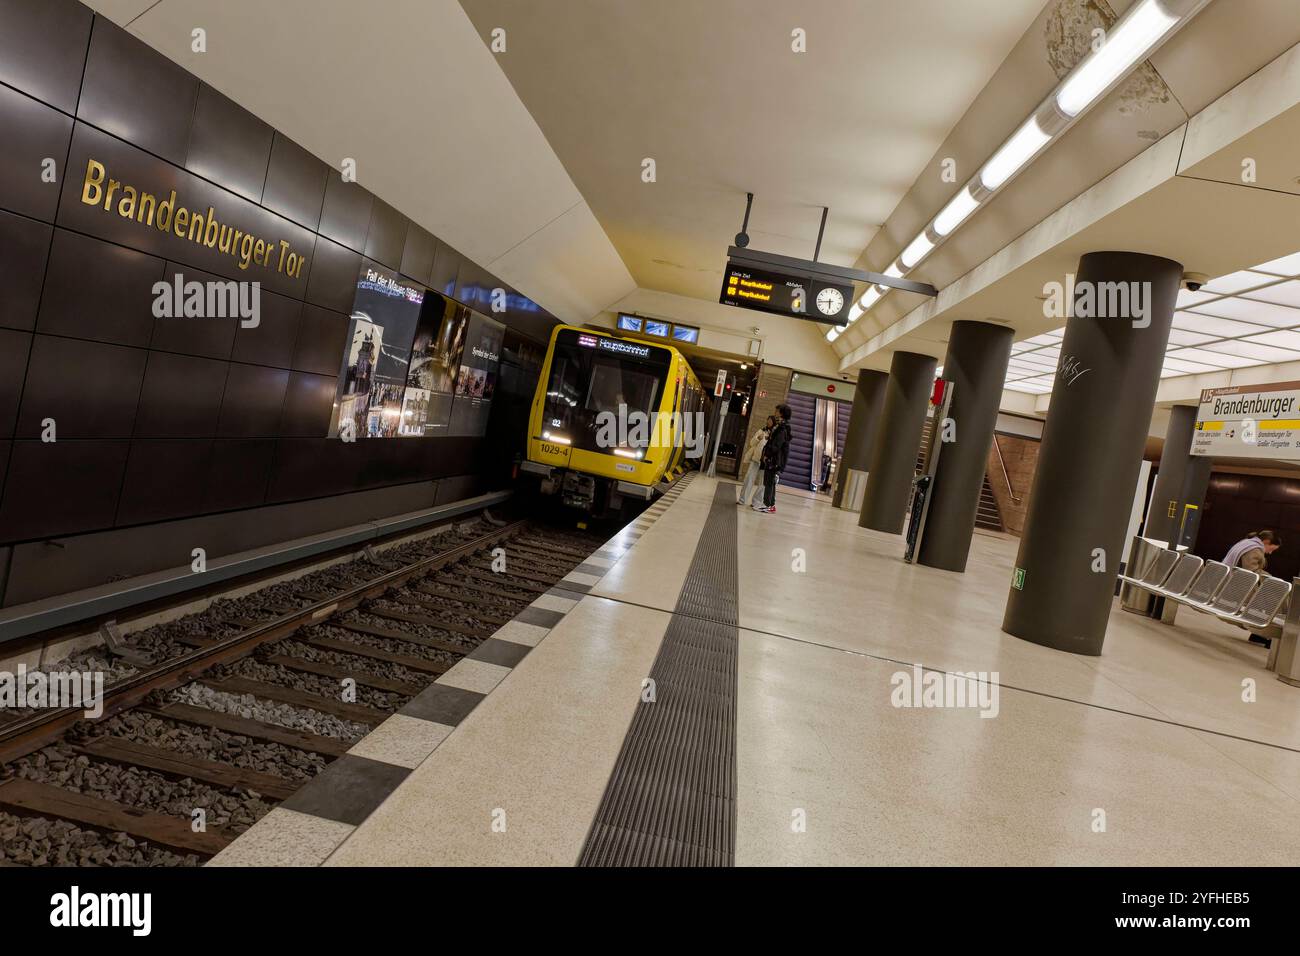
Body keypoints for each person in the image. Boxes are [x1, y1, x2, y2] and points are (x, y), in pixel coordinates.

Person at [754, 404, 792, 514]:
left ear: (781, 413)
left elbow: (777, 445)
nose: (775, 412)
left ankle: (767, 504)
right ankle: (770, 505)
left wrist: (768, 454)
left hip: (774, 459)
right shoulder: (780, 426)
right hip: (774, 458)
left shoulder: (782, 428)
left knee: (769, 482)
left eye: (777, 411)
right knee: (770, 482)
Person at [737, 415, 774, 507]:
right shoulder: (761, 431)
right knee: (749, 479)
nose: (768, 422)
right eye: (767, 420)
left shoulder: (774, 434)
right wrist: (758, 438)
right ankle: (742, 500)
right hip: (756, 459)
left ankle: (756, 502)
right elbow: (751, 443)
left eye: (770, 420)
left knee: (762, 483)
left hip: (766, 462)